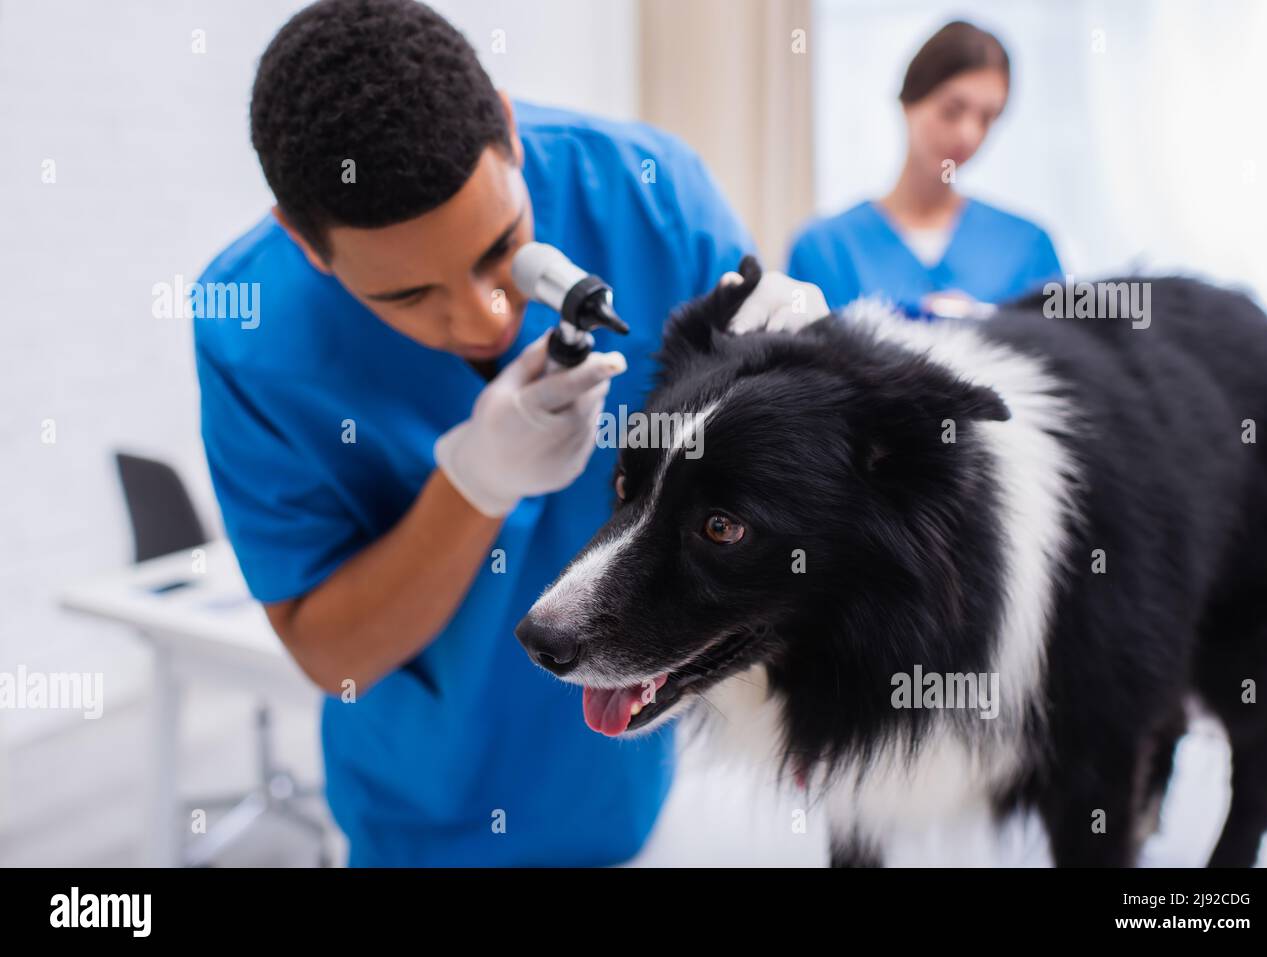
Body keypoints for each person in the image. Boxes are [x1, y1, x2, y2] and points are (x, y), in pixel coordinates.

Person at [194, 0, 819, 866]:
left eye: (502, 249)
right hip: (426, 805)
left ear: (512, 134)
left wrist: (805, 370)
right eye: (410, 296)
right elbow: (331, 650)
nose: (486, 317)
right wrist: (474, 487)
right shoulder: (253, 330)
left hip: (632, 780)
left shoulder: (648, 193)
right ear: (303, 241)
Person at [788, 20, 1062, 317]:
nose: (968, 135)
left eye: (987, 117)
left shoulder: (1028, 248)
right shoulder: (823, 251)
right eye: (952, 110)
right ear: (909, 102)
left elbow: (1066, 355)